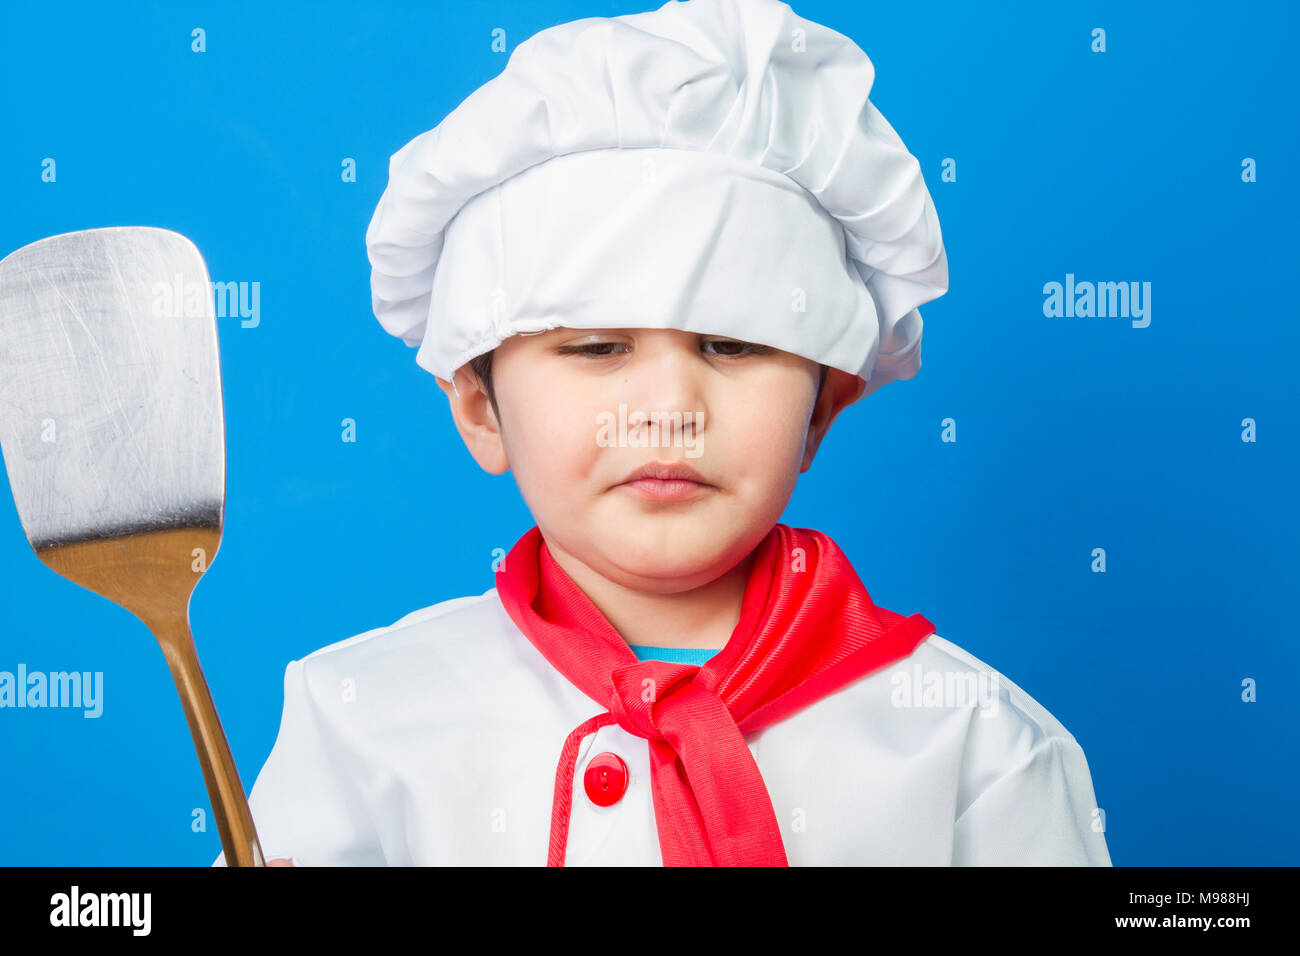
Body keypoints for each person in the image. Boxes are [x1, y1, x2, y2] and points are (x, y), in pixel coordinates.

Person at [215, 0, 1111, 867]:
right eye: (597, 346)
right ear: (481, 411)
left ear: (822, 411)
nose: (668, 407)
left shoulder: (972, 742)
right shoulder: (361, 719)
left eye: (734, 344)